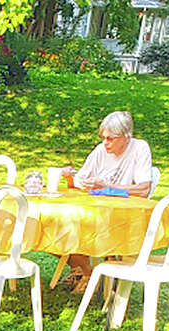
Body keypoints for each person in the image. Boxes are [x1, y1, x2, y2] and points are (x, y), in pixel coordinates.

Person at [62, 110, 155, 290]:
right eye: (103, 138)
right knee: (59, 224)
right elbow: (78, 182)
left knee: (79, 226)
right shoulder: (100, 150)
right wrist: (70, 178)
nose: (105, 143)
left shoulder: (139, 148)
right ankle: (85, 270)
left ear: (126, 137)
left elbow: (144, 190)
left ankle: (94, 273)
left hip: (121, 217)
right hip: (93, 210)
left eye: (111, 139)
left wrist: (106, 187)